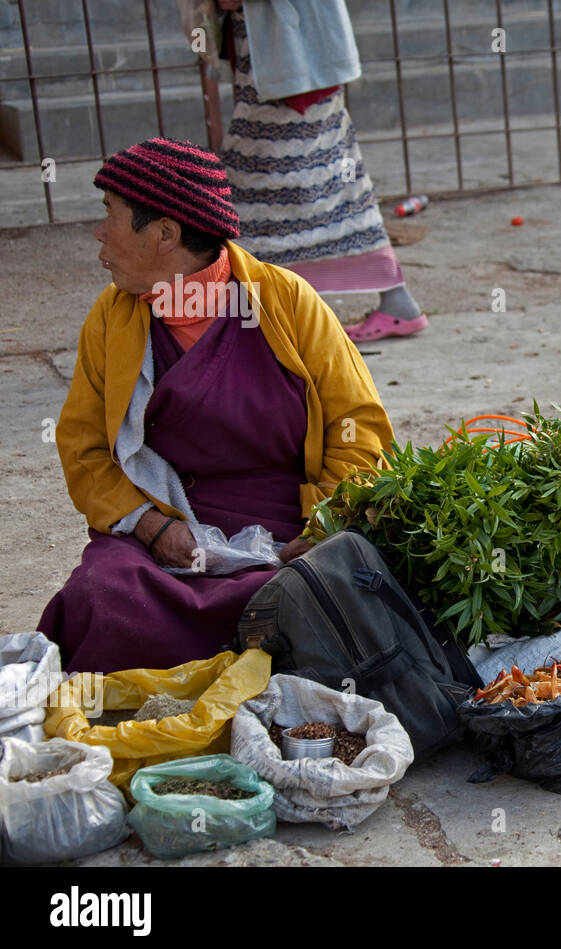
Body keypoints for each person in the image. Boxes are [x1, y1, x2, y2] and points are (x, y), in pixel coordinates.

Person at [38, 137, 394, 673]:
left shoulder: (286, 300)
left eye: (109, 214)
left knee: (319, 594)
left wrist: (320, 529)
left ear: (164, 233)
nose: (99, 233)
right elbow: (84, 448)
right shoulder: (112, 319)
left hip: (286, 530)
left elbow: (357, 426)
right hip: (165, 527)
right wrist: (150, 527)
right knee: (100, 595)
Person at [214, 0, 428, 343]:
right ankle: (388, 300)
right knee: (327, 176)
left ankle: (253, 312)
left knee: (261, 183)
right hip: (280, 57)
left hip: (295, 62)